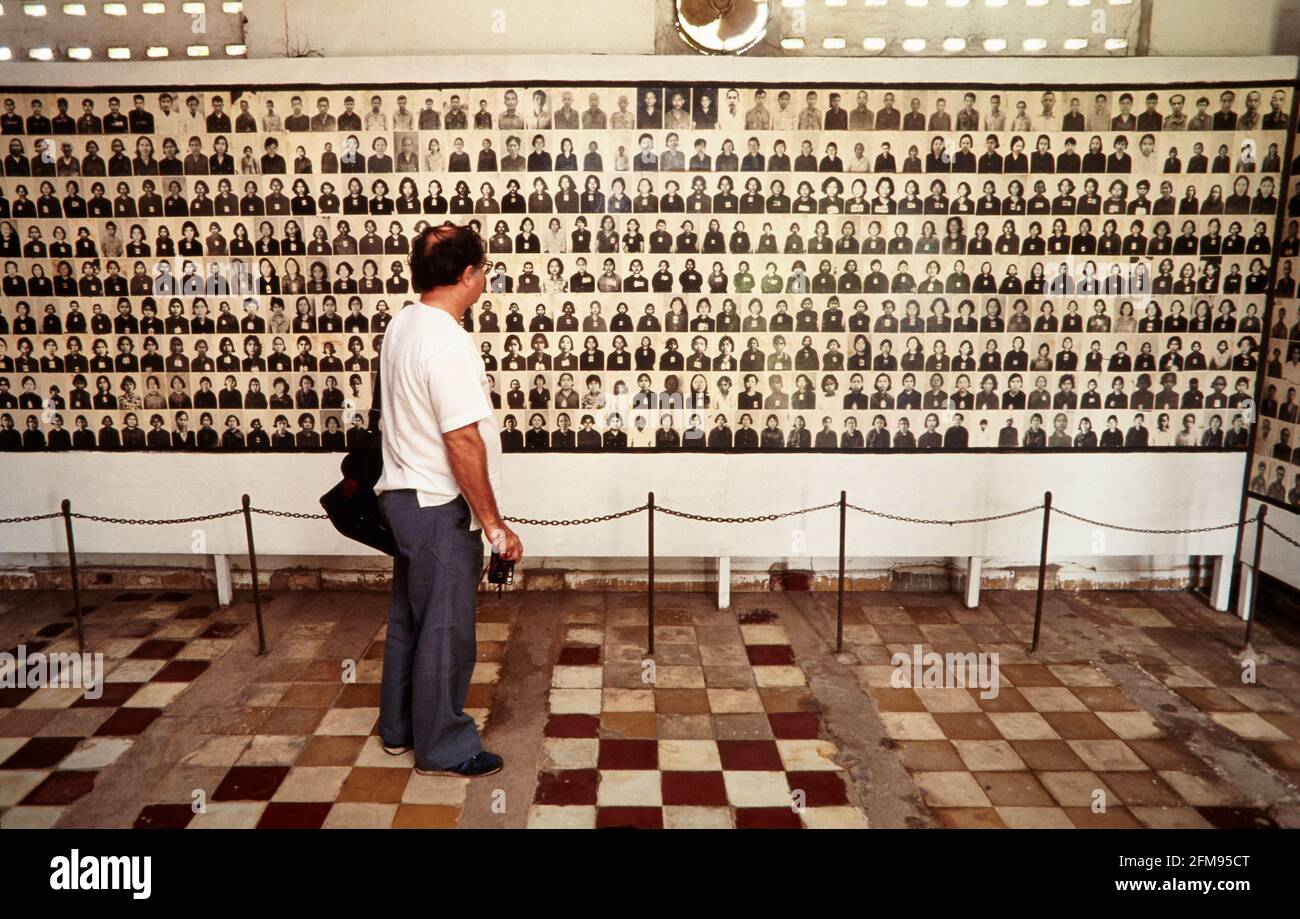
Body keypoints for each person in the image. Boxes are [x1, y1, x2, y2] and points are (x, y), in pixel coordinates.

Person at [373, 223, 523, 778]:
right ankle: (444, 748)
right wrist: (494, 526)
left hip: (404, 499)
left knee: (410, 620)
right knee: (446, 629)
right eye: (482, 269)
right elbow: (461, 439)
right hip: (438, 506)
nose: (483, 278)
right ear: (467, 275)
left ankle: (399, 730)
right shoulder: (447, 341)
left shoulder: (403, 325)